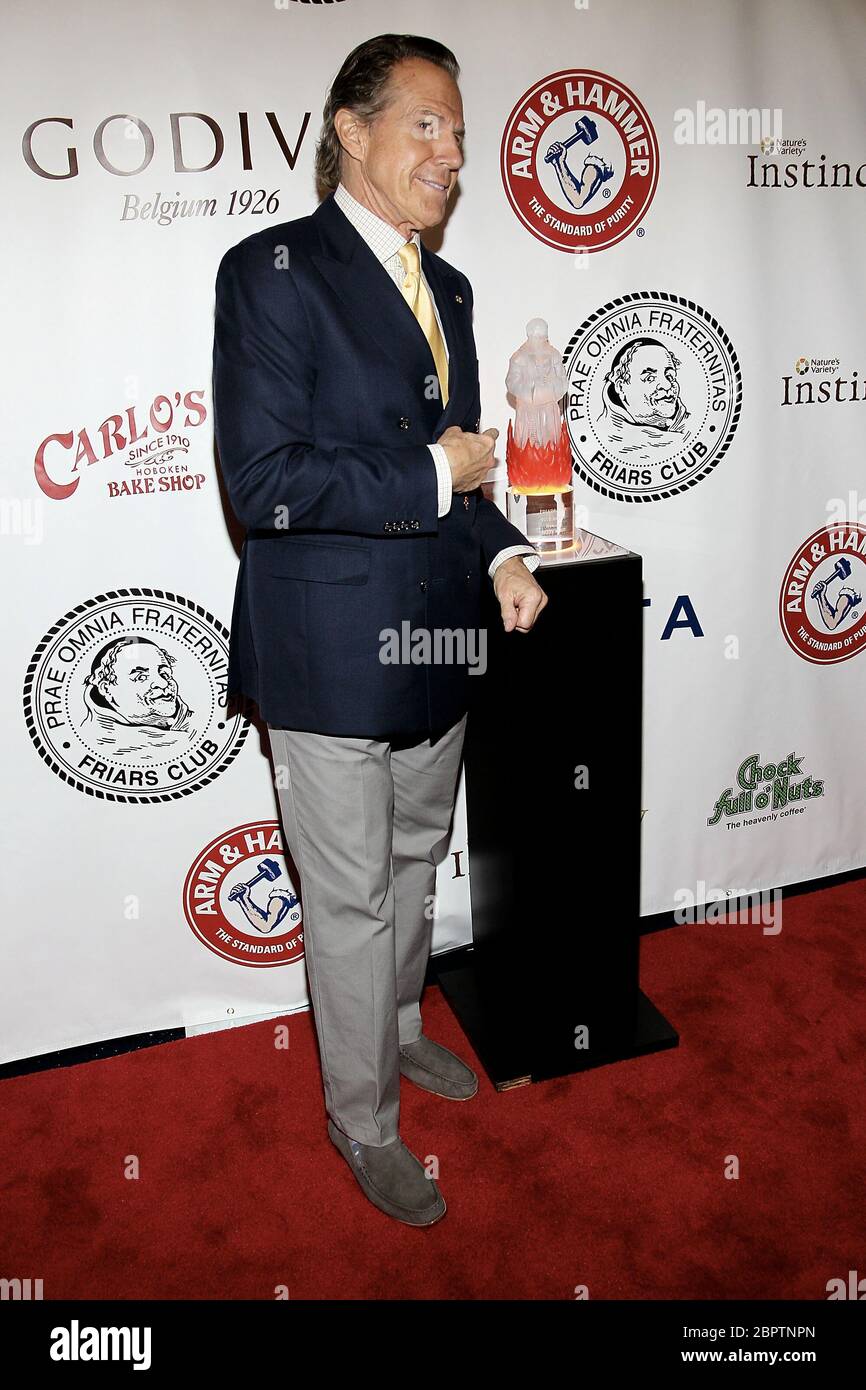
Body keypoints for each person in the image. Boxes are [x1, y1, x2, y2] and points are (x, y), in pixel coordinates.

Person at [212, 32, 548, 1227]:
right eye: (427, 124)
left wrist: (499, 548)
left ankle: (399, 1030)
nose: (454, 151)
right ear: (350, 133)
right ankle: (360, 1122)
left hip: (439, 640)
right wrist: (428, 471)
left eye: (460, 129)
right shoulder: (270, 271)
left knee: (412, 867)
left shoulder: (446, 287)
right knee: (350, 898)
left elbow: (461, 472)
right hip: (328, 650)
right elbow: (263, 482)